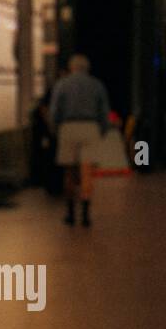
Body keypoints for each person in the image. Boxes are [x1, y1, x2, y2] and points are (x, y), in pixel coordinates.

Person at [49, 54, 111, 226]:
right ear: (87, 68)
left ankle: (70, 213)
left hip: (68, 128)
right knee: (86, 172)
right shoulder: (96, 85)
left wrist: (55, 130)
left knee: (68, 171)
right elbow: (104, 112)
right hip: (90, 128)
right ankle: (85, 214)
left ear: (71, 67)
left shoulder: (62, 85)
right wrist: (102, 131)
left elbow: (54, 111)